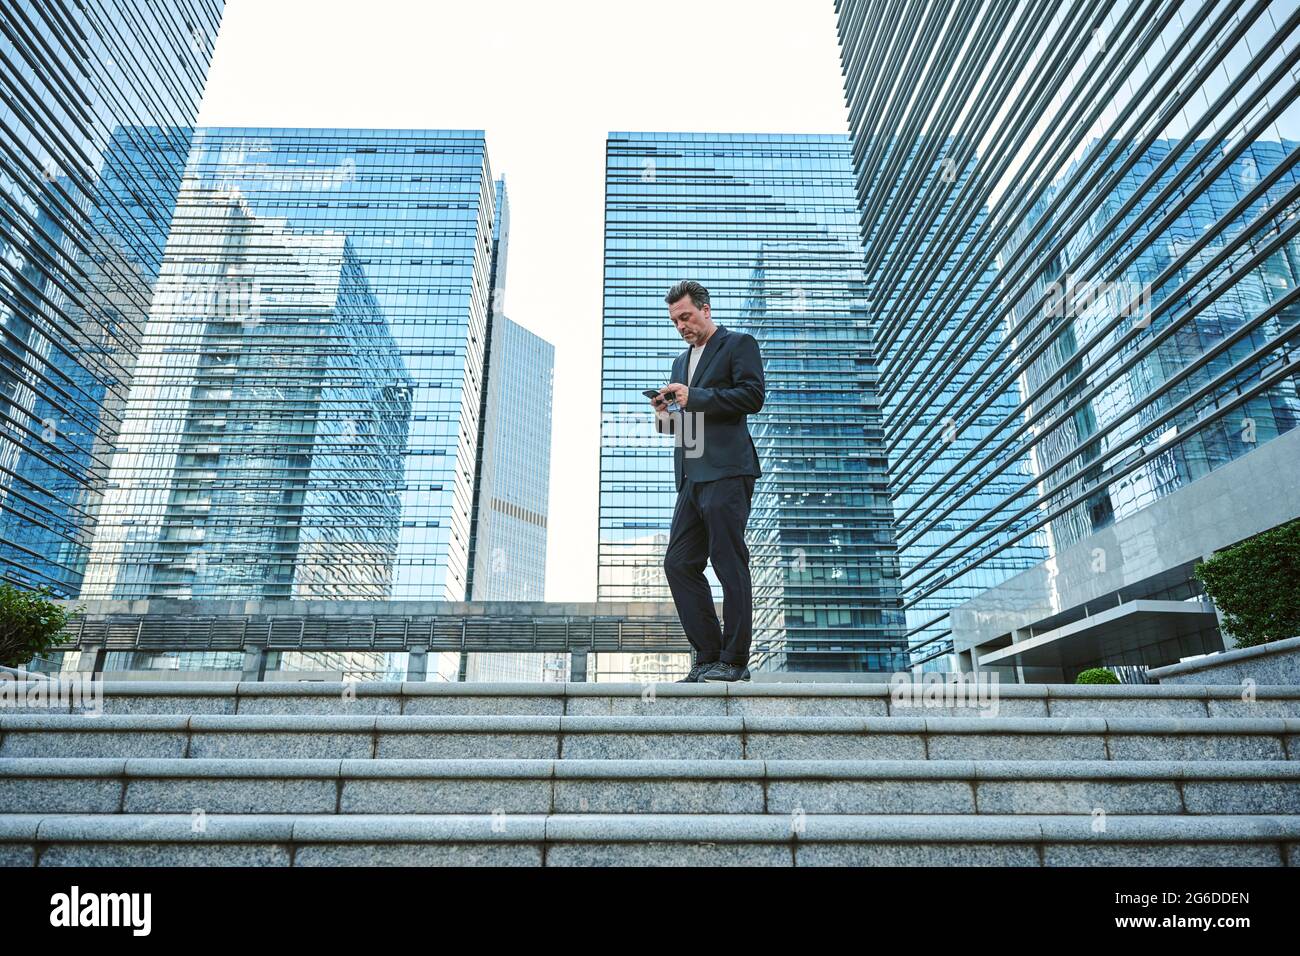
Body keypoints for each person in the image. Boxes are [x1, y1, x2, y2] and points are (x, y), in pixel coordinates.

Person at [650, 280, 765, 683]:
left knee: (727, 561)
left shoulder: (738, 344)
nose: (681, 326)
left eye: (686, 316)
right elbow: (684, 428)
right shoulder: (680, 365)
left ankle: (734, 661)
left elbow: (752, 397)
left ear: (706, 309)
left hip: (728, 470)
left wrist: (694, 397)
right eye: (675, 321)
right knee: (678, 563)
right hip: (692, 476)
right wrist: (664, 413)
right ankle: (707, 657)